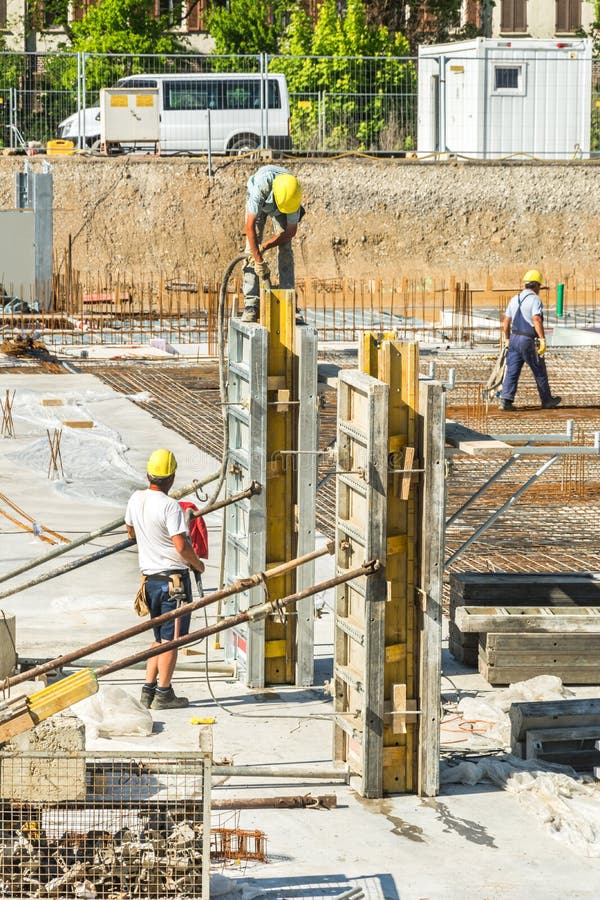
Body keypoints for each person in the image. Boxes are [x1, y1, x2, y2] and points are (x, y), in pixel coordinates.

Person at [125, 449, 205, 710]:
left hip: (150, 582)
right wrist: (198, 564)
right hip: (174, 583)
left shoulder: (136, 499)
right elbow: (181, 546)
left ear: (148, 474)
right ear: (171, 478)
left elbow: (130, 532)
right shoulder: (170, 506)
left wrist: (150, 541)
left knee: (159, 637)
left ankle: (148, 689)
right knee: (173, 640)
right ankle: (164, 693)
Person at [241, 164, 303, 323]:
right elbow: (249, 227)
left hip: (282, 205)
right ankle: (251, 304)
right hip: (261, 204)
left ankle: (289, 301)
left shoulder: (293, 196)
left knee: (286, 250)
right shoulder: (262, 186)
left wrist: (266, 246)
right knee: (250, 251)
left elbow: (290, 232)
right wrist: (258, 258)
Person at [499, 269, 561, 412]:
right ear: (536, 285)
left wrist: (507, 339)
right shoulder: (535, 299)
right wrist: (542, 339)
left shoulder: (514, 299)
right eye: (539, 286)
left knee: (512, 371)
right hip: (527, 340)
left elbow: (506, 322)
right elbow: (536, 319)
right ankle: (547, 400)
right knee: (539, 369)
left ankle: (505, 401)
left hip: (514, 339)